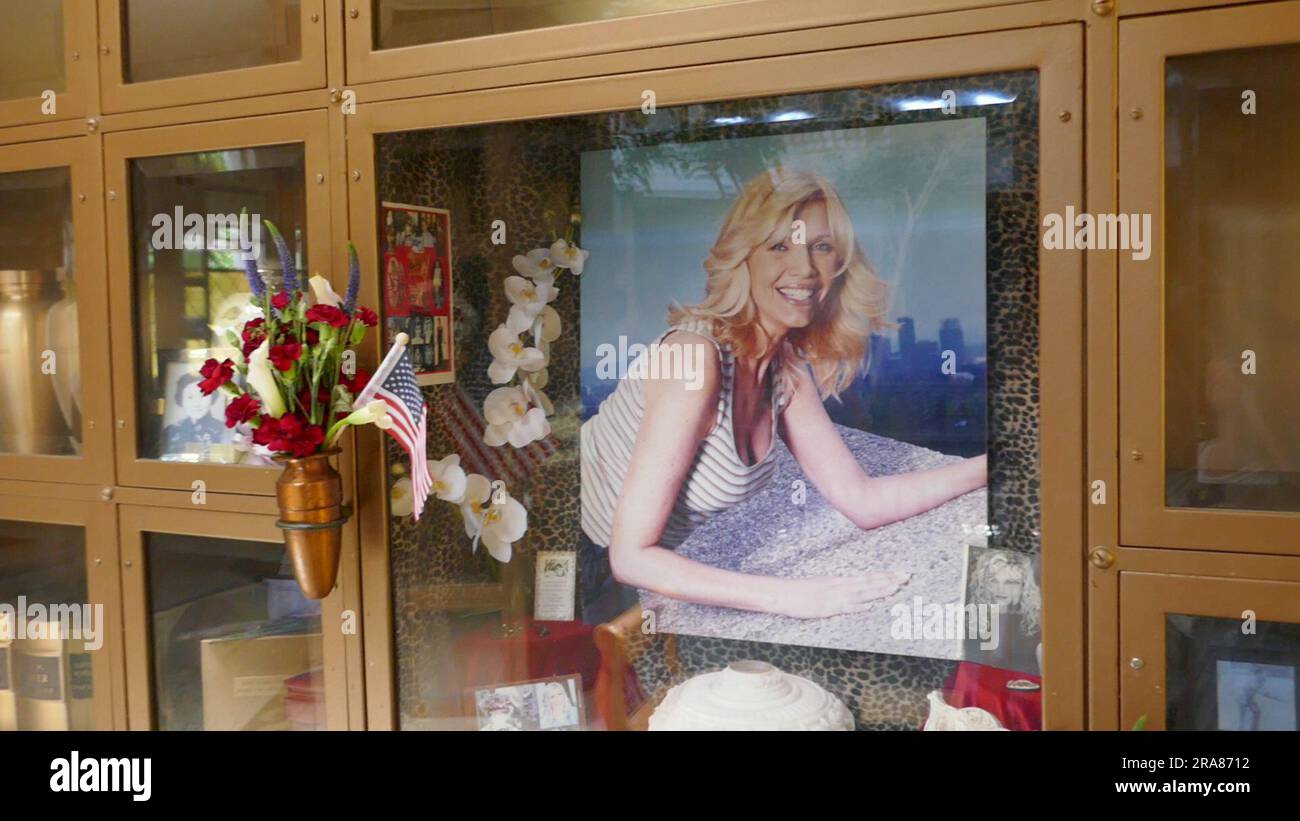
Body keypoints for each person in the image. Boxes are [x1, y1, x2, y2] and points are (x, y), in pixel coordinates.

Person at [580, 167, 987, 624]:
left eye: (821, 247)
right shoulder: (694, 358)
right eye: (779, 247)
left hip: (656, 579)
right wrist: (793, 597)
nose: (804, 269)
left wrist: (993, 467)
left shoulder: (783, 366)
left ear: (839, 264)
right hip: (585, 572)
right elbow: (629, 557)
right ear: (744, 256)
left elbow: (863, 500)